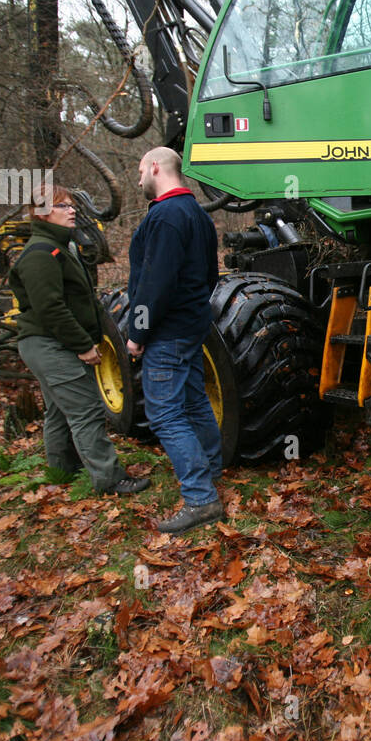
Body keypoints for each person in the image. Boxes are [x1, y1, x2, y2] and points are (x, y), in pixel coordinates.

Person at [9, 185, 149, 496]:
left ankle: (62, 472)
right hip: (47, 344)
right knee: (86, 408)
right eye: (62, 207)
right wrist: (83, 346)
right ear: (41, 212)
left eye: (71, 206)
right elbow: (50, 308)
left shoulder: (61, 246)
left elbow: (80, 300)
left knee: (59, 411)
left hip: (55, 342)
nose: (72, 211)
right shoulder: (40, 253)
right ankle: (110, 480)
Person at [127, 147, 223, 534]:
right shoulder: (199, 215)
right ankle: (211, 470)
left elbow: (155, 284)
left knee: (165, 414)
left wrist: (137, 334)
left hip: (167, 331)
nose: (138, 180)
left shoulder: (166, 216)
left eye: (139, 171)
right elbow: (211, 277)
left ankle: (201, 498)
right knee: (194, 401)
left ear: (154, 167)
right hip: (191, 326)